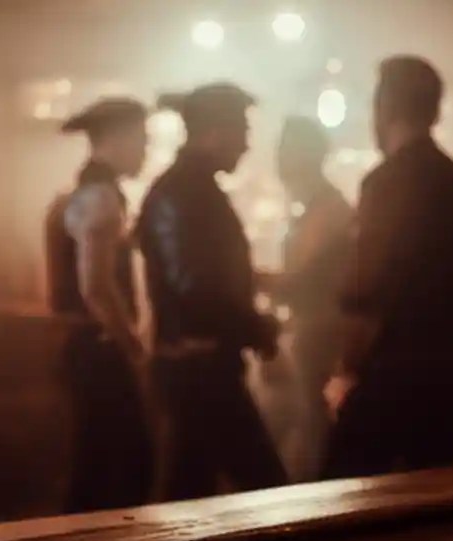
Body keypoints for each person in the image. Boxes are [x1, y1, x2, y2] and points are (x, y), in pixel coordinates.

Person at [322, 56, 453, 480]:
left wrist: (346, 368)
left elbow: (365, 284)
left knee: (347, 491)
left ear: (385, 108)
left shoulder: (383, 183)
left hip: (388, 363)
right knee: (430, 490)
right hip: (446, 365)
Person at [135, 82, 288, 500]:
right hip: (199, 372)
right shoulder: (184, 194)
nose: (247, 144)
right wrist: (258, 330)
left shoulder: (190, 190)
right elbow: (198, 288)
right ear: (214, 132)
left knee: (187, 501)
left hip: (198, 368)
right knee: (271, 497)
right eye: (242, 130)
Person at [45, 97, 153, 512]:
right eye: (141, 139)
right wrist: (132, 345)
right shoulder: (100, 199)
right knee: (124, 463)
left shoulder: (85, 195)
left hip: (88, 347)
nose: (145, 149)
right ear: (116, 138)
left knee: (97, 463)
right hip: (99, 350)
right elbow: (96, 287)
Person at [268, 116, 353, 481]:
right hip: (311, 330)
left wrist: (245, 278)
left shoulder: (327, 210)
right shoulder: (313, 207)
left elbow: (299, 277)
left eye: (285, 150)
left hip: (320, 332)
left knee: (312, 429)